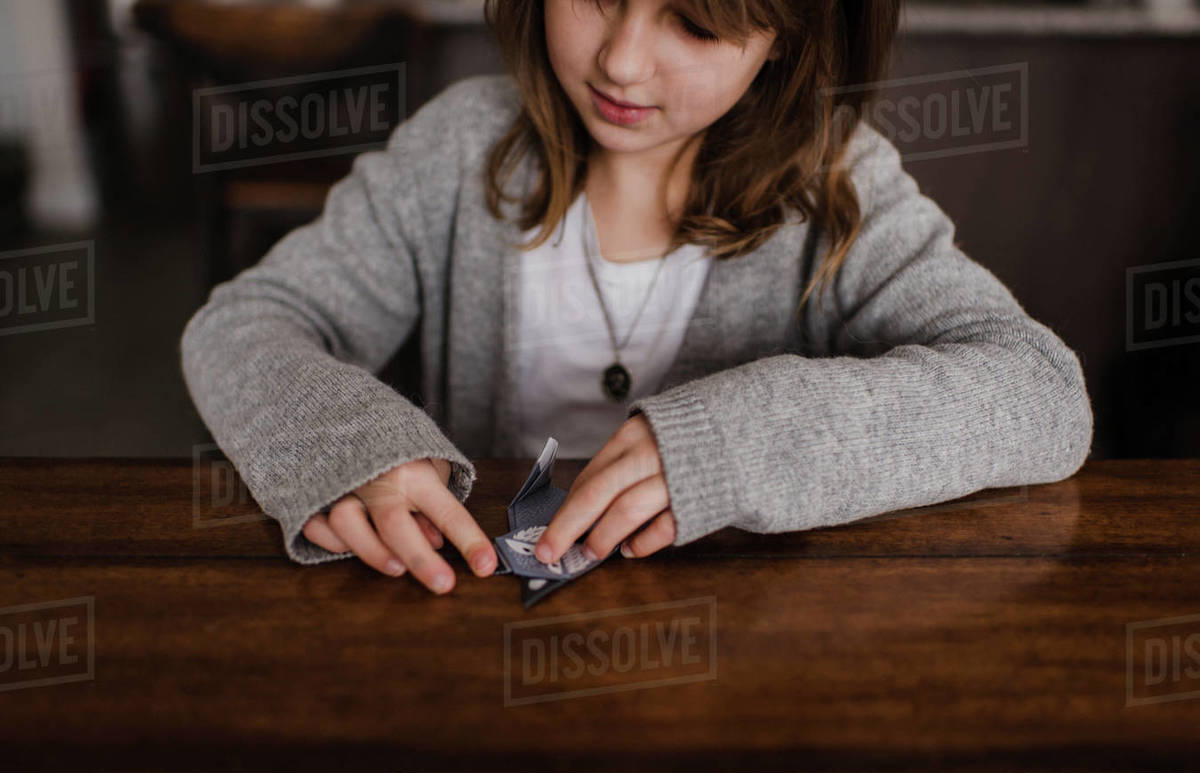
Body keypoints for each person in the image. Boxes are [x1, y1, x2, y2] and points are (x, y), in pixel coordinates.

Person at [180, 0, 1094, 596]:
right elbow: (243, 323)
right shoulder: (456, 150)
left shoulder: (836, 183)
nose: (620, 62)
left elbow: (1041, 391)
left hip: (737, 657)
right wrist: (350, 445)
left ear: (789, 39)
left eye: (693, 24)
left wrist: (736, 440)